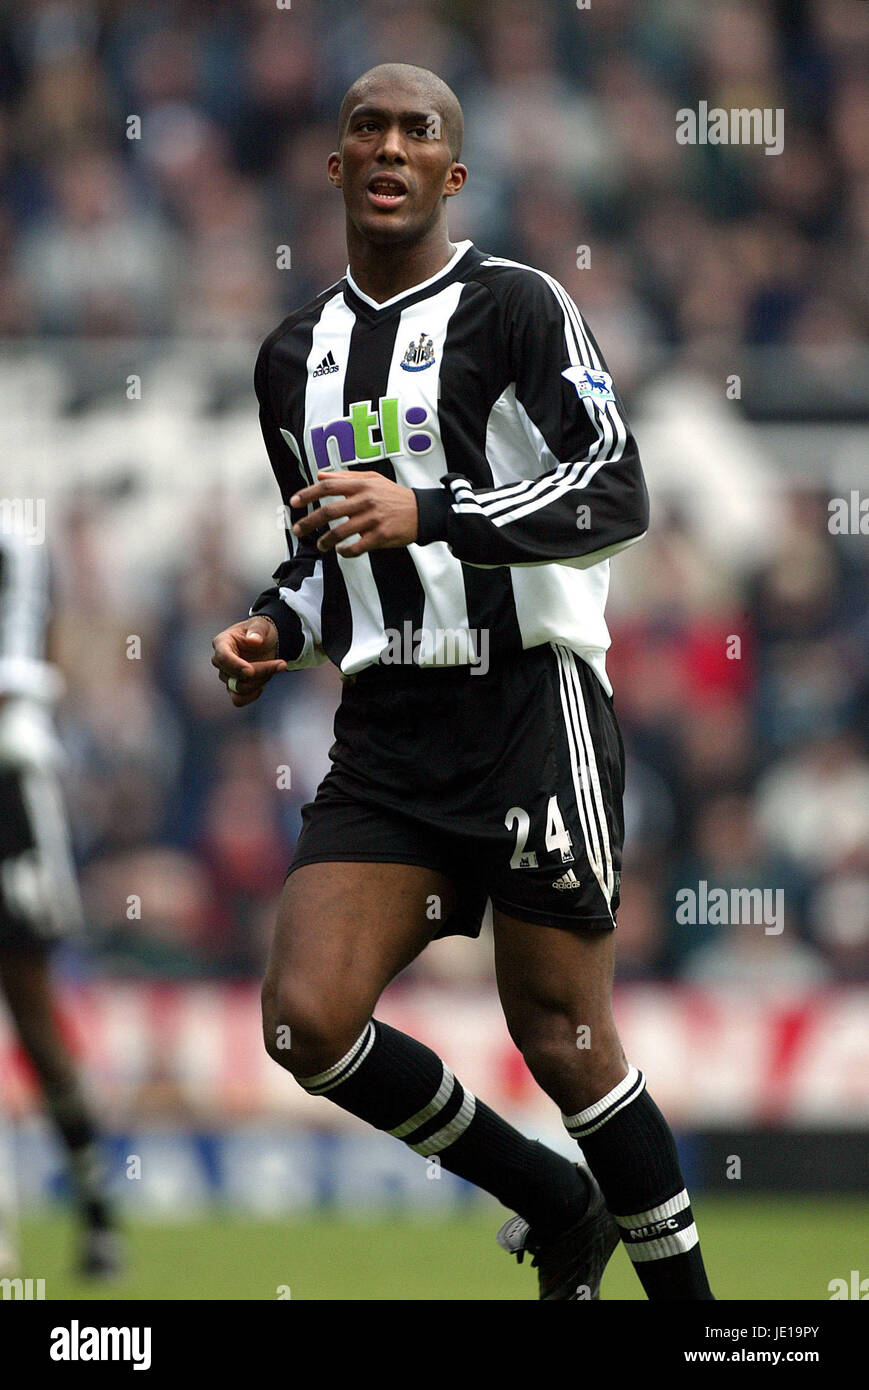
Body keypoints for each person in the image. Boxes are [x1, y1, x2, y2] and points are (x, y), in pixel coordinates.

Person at [211, 62, 713, 1300]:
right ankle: (551, 1200)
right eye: (365, 130)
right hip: (387, 728)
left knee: (564, 1036)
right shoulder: (291, 358)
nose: (389, 147)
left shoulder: (516, 307)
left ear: (453, 172)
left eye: (415, 131)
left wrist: (428, 508)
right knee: (304, 1020)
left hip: (526, 704)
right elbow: (329, 554)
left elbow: (614, 490)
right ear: (333, 168)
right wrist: (278, 625)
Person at [0, 522, 121, 1277]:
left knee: (33, 1013)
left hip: (9, 779)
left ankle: (97, 1211)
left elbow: (19, 667)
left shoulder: (15, 539)